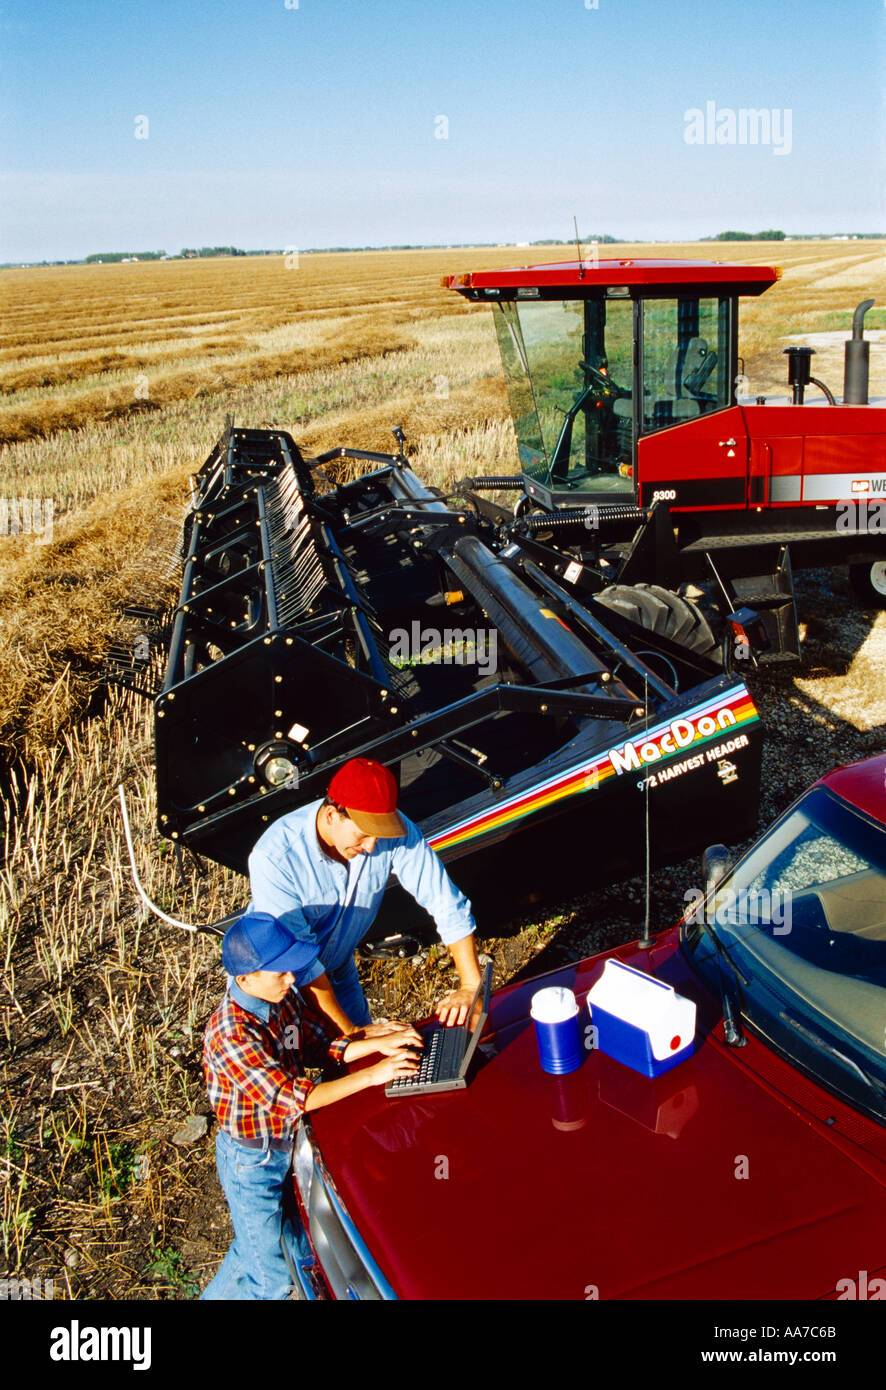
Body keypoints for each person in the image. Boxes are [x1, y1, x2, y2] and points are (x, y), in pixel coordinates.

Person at [202, 910, 420, 1300]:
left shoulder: (280, 998)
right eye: (280, 972)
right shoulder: (231, 1034)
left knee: (268, 1248)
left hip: (287, 1146)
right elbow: (294, 1098)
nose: (291, 978)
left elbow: (320, 1041)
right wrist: (372, 1075)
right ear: (245, 978)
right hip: (254, 1162)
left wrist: (373, 1044)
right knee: (272, 1278)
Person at [248, 757, 482, 1035]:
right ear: (332, 815)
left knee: (365, 1064)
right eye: (363, 835)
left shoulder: (393, 831)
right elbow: (300, 962)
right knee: (291, 1066)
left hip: (339, 966)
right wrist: (353, 1036)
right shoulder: (275, 858)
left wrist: (470, 987)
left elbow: (445, 902)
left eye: (378, 835)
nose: (372, 847)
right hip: (276, 988)